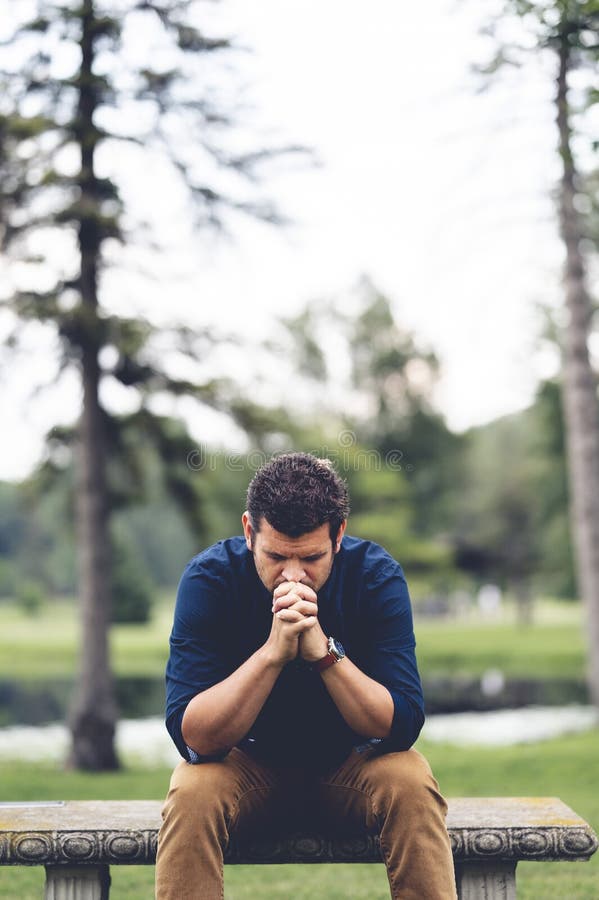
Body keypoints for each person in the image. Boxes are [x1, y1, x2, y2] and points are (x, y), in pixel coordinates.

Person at [156, 452, 456, 900]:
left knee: (410, 778)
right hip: (247, 768)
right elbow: (194, 738)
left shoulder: (375, 576)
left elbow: (401, 724)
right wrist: (272, 655)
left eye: (311, 557)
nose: (292, 576)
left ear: (339, 535)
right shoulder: (210, 579)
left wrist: (323, 653)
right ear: (248, 531)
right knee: (192, 787)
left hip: (349, 767)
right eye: (276, 556)